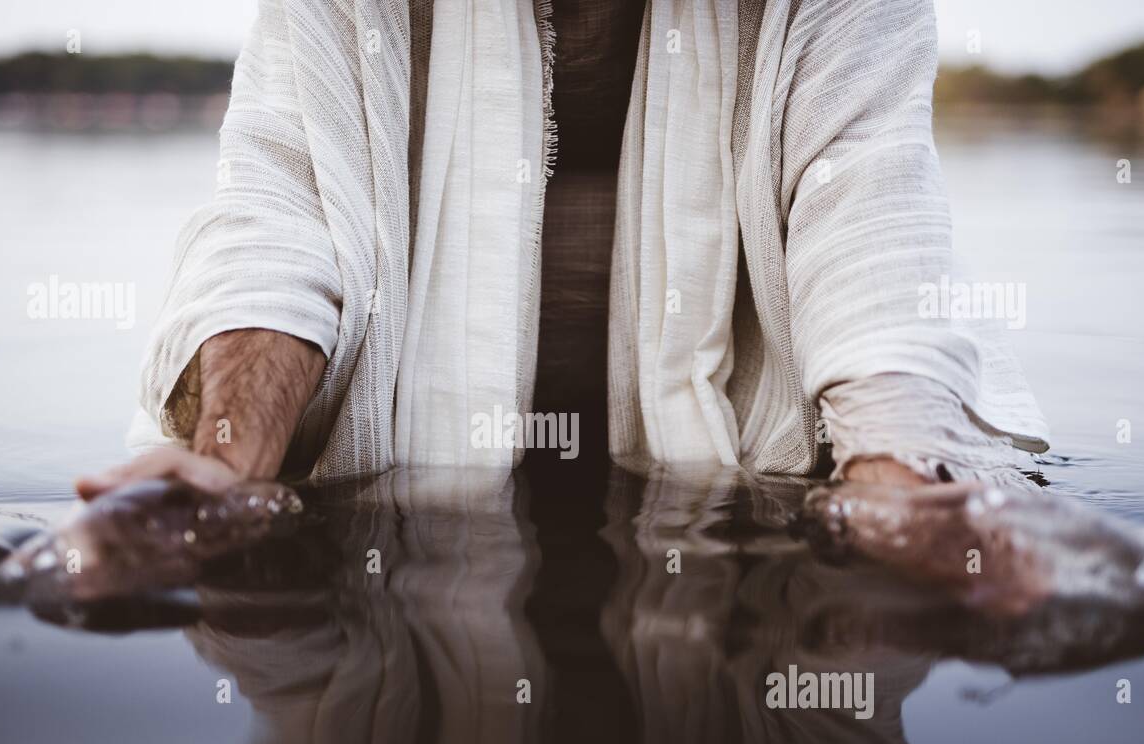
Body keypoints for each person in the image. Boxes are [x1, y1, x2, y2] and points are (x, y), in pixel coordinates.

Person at [77, 0, 1049, 502]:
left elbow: (870, 214)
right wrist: (228, 468)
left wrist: (893, 483)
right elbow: (282, 209)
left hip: (734, 477)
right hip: (415, 493)